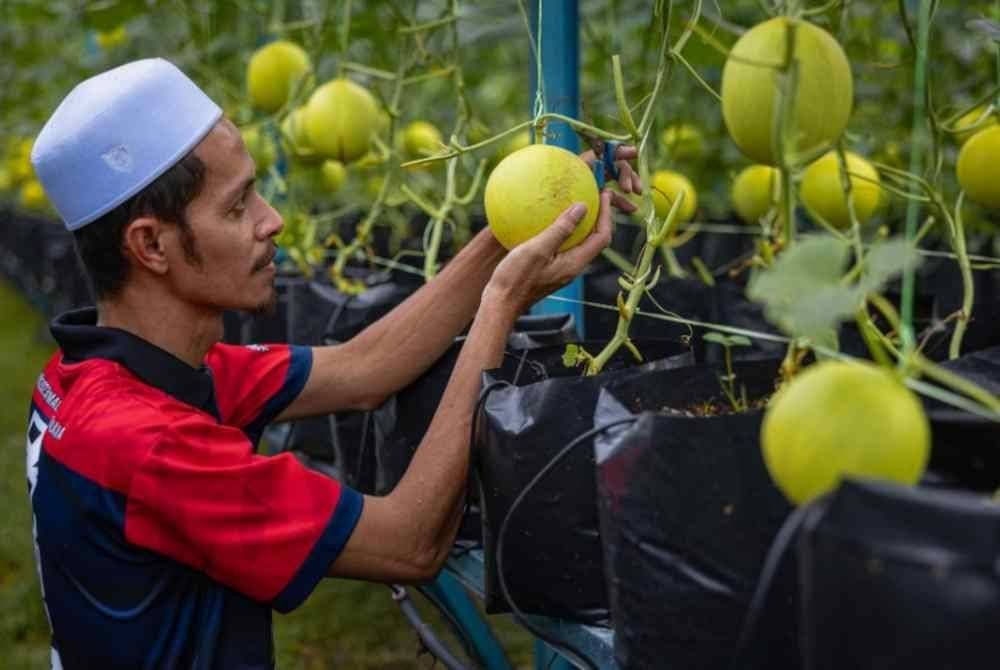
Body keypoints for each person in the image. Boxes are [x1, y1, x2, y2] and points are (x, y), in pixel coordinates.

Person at [25, 58, 640, 669]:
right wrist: (500, 304)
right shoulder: (145, 444)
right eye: (237, 207)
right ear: (151, 245)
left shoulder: (107, 377)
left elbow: (364, 367)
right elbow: (408, 542)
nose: (272, 220)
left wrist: (526, 218)